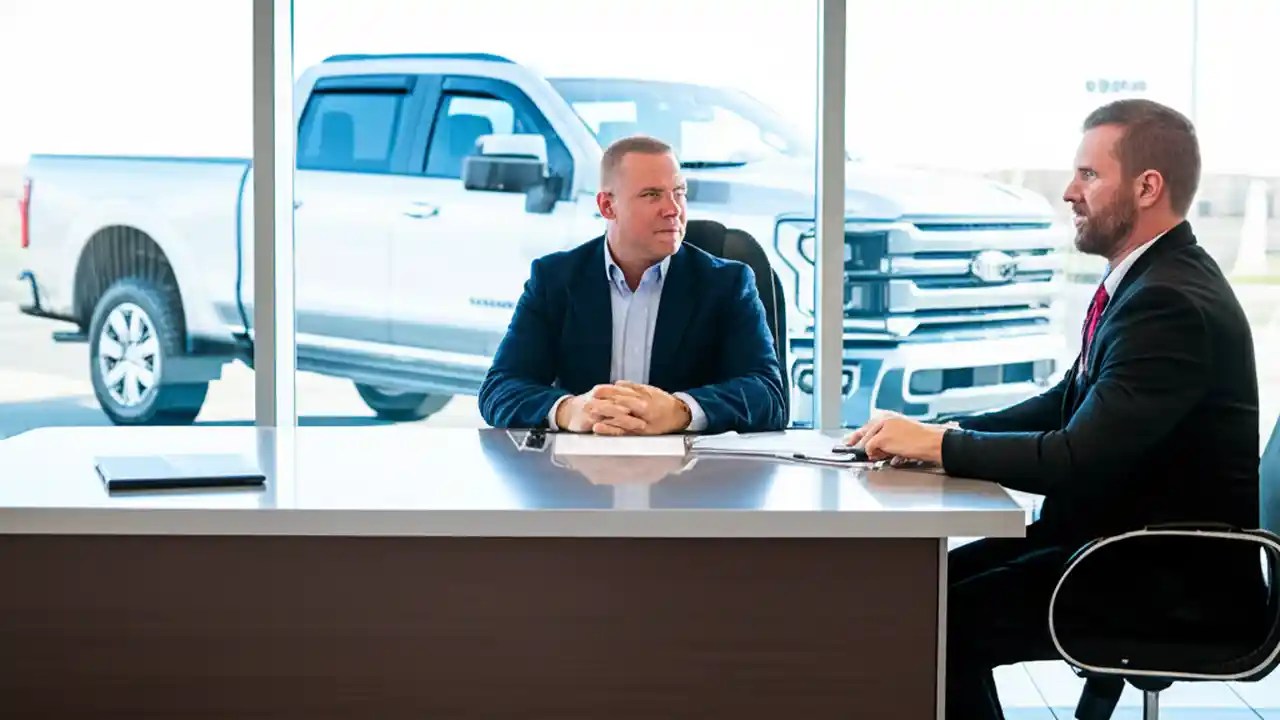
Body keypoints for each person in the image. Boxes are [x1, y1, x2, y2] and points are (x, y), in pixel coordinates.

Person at [844, 99, 1260, 719]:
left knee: (934, 625)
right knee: (921, 598)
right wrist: (938, 432)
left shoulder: (1169, 305)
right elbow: (1063, 403)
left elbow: (1075, 457)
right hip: (1113, 547)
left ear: (1149, 188)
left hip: (1160, 577)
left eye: (1089, 175)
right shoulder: (1151, 281)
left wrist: (936, 446)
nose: (1069, 192)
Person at [478, 135, 787, 435]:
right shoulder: (555, 279)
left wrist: (682, 411)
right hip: (579, 473)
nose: (673, 209)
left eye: (678, 192)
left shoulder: (726, 283)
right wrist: (569, 410)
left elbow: (768, 395)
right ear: (607, 206)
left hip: (692, 477)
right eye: (652, 194)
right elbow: (500, 388)